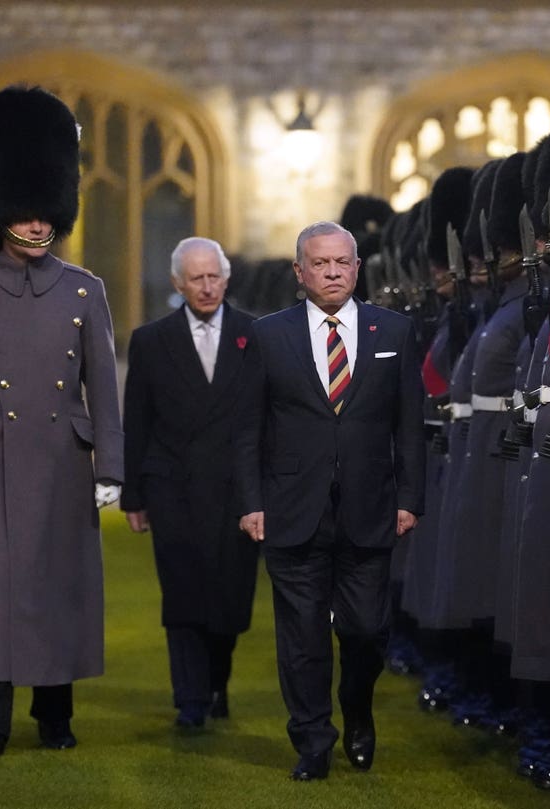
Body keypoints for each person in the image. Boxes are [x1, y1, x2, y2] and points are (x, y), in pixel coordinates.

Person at [0, 86, 123, 760]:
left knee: (57, 590)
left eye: (47, 215)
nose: (38, 226)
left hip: (63, 463)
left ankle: (56, 716)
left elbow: (104, 386)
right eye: (25, 214)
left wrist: (111, 468)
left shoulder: (84, 290)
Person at [236, 221, 425, 780]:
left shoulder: (395, 329)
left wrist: (411, 497)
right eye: (321, 263)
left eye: (343, 262)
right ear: (300, 272)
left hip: (371, 507)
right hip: (292, 509)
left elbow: (408, 425)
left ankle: (358, 708)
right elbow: (247, 428)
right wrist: (251, 502)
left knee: (366, 630)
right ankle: (313, 742)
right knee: (301, 638)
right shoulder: (268, 335)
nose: (334, 271)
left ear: (358, 267)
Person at [121, 236, 260, 729]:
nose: (206, 287)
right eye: (196, 278)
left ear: (226, 278)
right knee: (182, 593)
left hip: (235, 488)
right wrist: (132, 494)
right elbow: (136, 420)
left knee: (229, 599)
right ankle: (191, 700)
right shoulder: (151, 340)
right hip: (172, 484)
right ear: (178, 283)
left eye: (213, 276)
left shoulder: (255, 334)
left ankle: (215, 681)